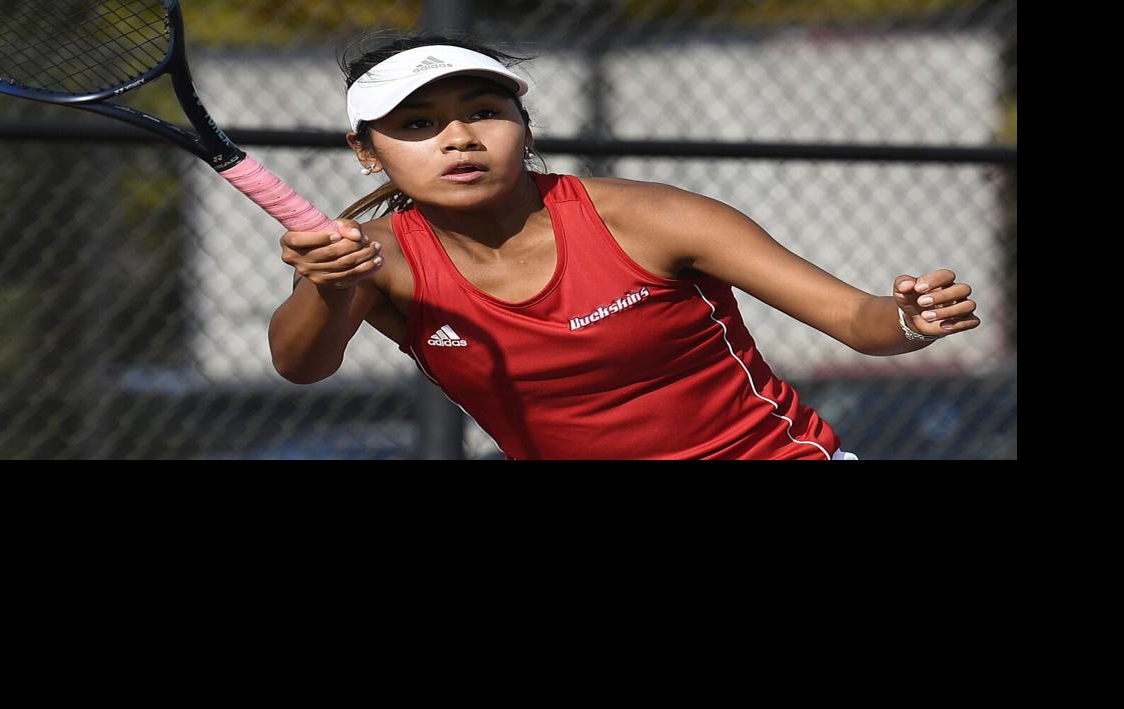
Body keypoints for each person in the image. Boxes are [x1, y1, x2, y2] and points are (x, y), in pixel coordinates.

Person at [269, 35, 979, 460]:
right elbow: (301, 366)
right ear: (365, 152)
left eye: (485, 113)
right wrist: (325, 288)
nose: (460, 138)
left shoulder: (654, 218)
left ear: (525, 127)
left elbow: (857, 320)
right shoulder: (374, 259)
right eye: (418, 124)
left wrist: (911, 317)